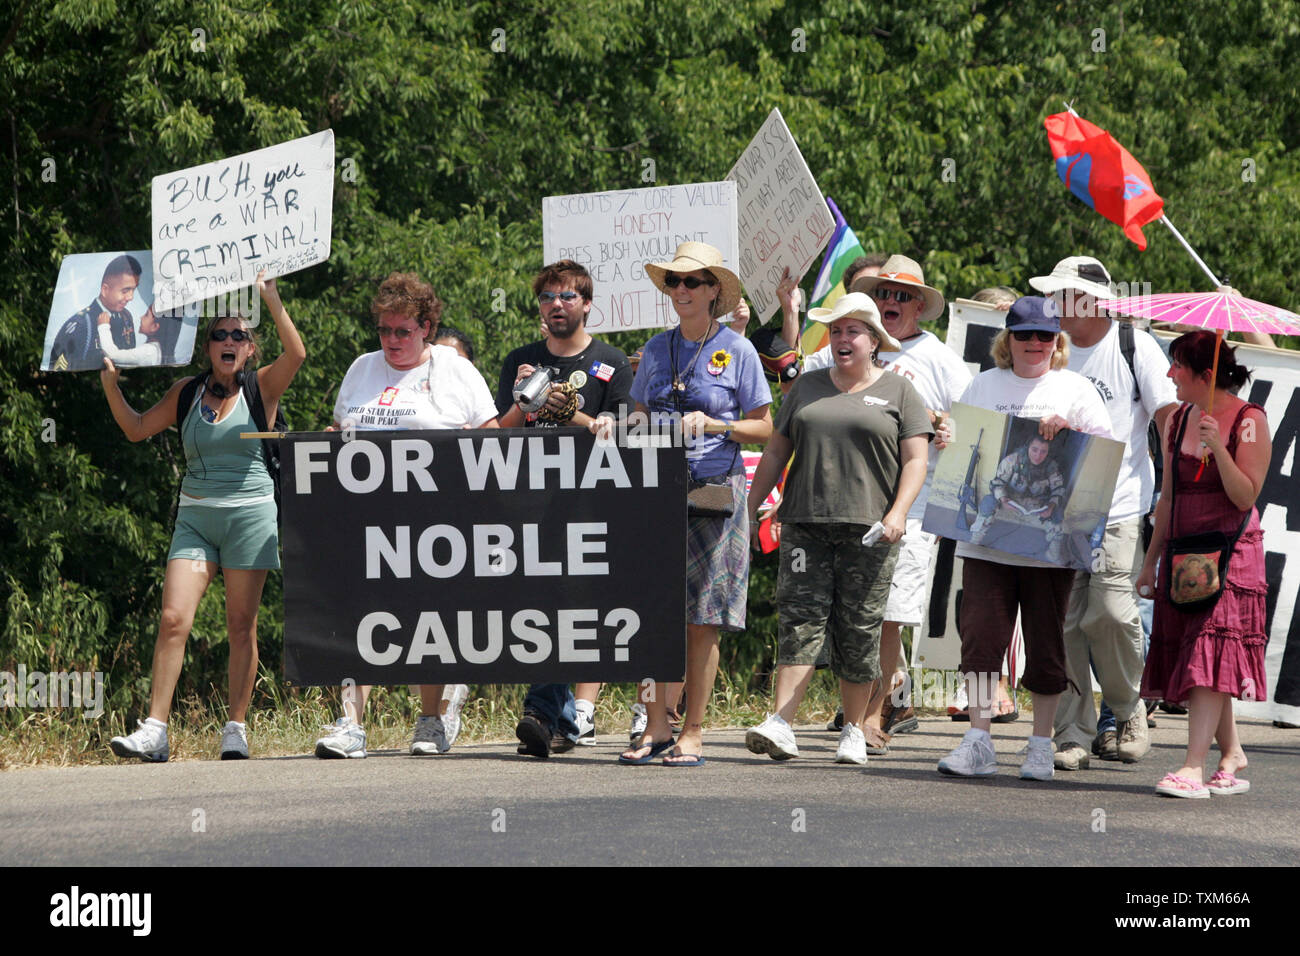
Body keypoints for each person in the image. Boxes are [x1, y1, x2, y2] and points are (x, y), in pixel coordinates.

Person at [102, 270, 305, 761]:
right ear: (208, 347)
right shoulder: (186, 392)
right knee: (174, 618)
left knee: (241, 626)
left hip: (249, 518)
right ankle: (155, 730)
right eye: (220, 335)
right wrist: (111, 384)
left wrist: (272, 301)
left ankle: (235, 726)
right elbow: (134, 429)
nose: (230, 341)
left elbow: (296, 354)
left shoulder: (261, 388)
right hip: (195, 519)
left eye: (239, 335)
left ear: (250, 349)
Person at [315, 272, 499, 759]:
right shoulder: (361, 369)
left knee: (429, 620)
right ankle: (351, 724)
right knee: (365, 616)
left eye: (403, 331)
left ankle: (432, 720)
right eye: (384, 330)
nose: (391, 341)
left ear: (427, 328)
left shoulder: (456, 371)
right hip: (368, 518)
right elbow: (339, 429)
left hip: (439, 519)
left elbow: (495, 439)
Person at [745, 293, 932, 765]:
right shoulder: (805, 388)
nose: (842, 339)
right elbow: (774, 452)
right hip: (805, 525)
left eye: (853, 331)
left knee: (859, 630)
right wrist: (750, 507)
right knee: (800, 623)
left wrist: (898, 513)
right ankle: (782, 724)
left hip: (870, 530)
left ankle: (853, 729)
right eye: (836, 331)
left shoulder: (900, 392)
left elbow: (916, 460)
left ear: (874, 341)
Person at [937, 296, 1112, 781]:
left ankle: (1040, 744)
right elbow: (964, 451)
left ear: (1057, 341)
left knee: (1046, 643)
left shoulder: (1076, 389)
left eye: (1044, 335)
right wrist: (946, 440)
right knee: (980, 639)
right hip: (988, 542)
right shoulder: (983, 385)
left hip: (1048, 550)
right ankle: (978, 740)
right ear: (1007, 339)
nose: (1034, 343)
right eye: (1024, 334)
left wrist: (1074, 431)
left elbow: (1101, 460)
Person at [615, 241, 772, 767]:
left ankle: (695, 731)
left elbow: (767, 427)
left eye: (693, 282)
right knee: (656, 613)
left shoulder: (738, 350)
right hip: (655, 495)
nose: (680, 290)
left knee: (702, 619)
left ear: (713, 292)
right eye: (674, 282)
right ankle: (656, 725)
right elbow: (638, 413)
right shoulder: (656, 350)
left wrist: (717, 424)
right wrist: (617, 428)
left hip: (715, 491)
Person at [1030, 255, 1178, 770]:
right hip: (1056, 511)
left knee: (1112, 613)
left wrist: (1170, 494)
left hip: (1119, 505)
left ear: (1096, 300)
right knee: (1064, 624)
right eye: (1056, 295)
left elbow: (1168, 422)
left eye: (1066, 295)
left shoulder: (1134, 346)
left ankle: (1128, 707)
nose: (1057, 305)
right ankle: (1073, 732)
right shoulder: (1051, 352)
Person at [493, 260, 632, 757]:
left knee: (575, 608)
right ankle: (561, 721)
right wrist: (522, 401)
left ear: (587, 304)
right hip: (528, 504)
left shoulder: (611, 361)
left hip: (588, 505)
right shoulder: (521, 358)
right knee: (541, 608)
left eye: (567, 296)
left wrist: (569, 413)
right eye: (548, 296)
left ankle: (541, 711)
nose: (555, 304)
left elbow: (619, 431)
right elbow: (493, 434)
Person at [844, 255, 972, 751]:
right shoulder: (857, 351)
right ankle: (856, 704)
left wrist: (947, 428)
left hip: (914, 502)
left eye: (902, 296)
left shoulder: (941, 361)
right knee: (852, 607)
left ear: (920, 305)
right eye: (883, 293)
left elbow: (971, 428)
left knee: (890, 610)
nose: (890, 302)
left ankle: (874, 714)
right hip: (854, 496)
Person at [1137, 331, 1271, 798]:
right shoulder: (1175, 421)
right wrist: (1150, 564)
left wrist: (1220, 448)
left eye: (1177, 365)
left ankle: (1193, 766)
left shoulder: (1249, 421)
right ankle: (1231, 751)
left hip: (1231, 553)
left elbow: (1246, 495)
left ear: (1206, 374)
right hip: (1184, 553)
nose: (1169, 374)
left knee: (1209, 652)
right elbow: (1168, 499)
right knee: (1204, 654)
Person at [50, 254, 142, 371]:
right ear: (105, 290)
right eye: (125, 290)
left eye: (134, 289)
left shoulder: (126, 317)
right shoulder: (81, 327)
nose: (131, 297)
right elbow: (61, 374)